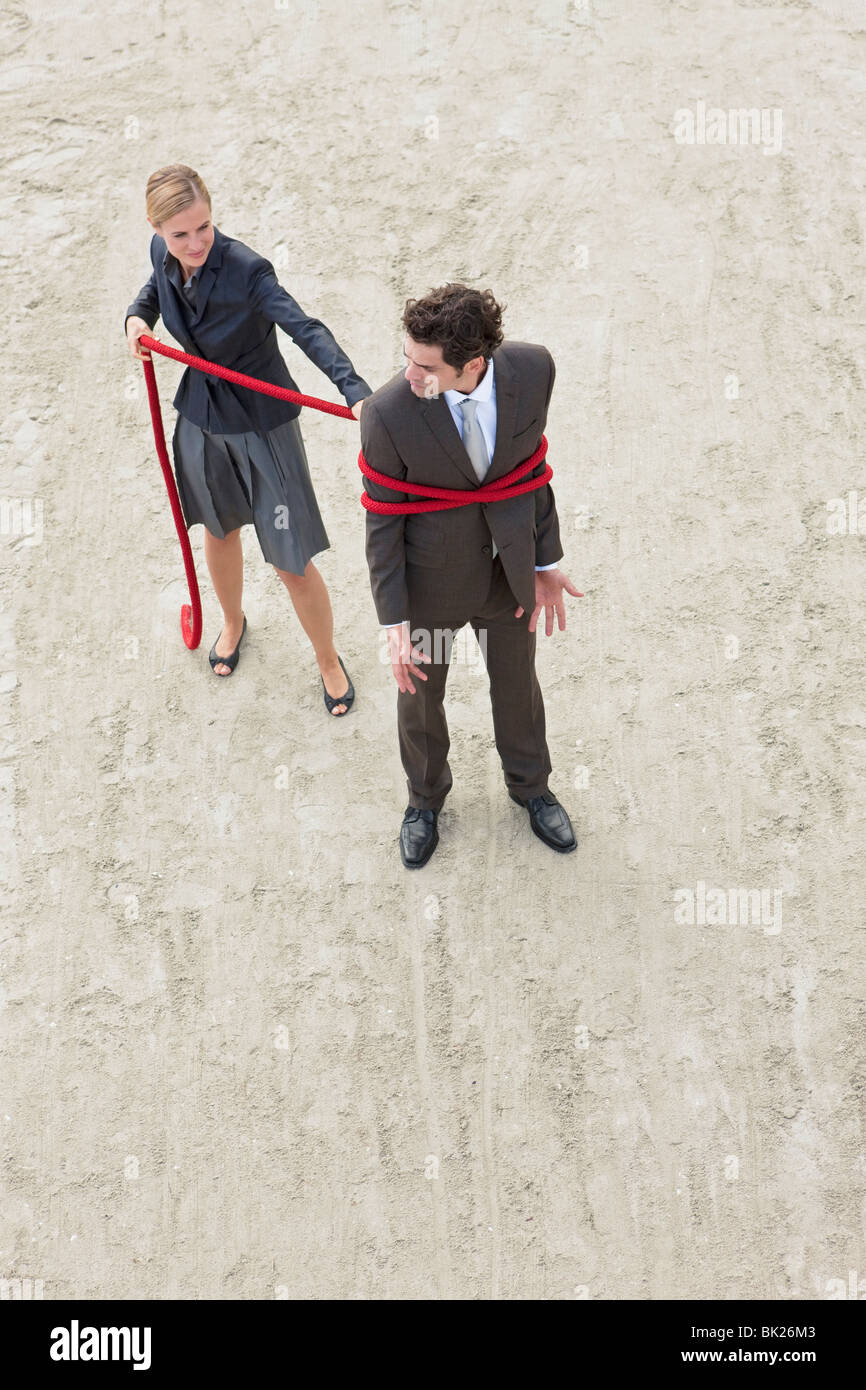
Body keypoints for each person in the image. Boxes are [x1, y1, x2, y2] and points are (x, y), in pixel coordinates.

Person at [125, 164, 372, 712]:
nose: (194, 243)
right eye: (179, 234)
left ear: (213, 215)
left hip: (262, 423)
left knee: (291, 557)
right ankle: (233, 622)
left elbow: (305, 328)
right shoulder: (161, 252)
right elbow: (152, 291)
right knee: (217, 528)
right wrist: (137, 320)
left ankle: (328, 660)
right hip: (201, 416)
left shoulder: (247, 270)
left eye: (203, 228)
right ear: (157, 228)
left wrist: (353, 390)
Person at [360, 283, 582, 867]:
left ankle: (532, 788)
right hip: (429, 590)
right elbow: (382, 524)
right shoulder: (387, 414)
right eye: (407, 356)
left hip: (507, 576)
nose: (409, 373)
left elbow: (532, 469)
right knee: (420, 700)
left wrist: (544, 562)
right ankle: (425, 800)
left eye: (425, 365)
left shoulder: (533, 371)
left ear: (473, 364)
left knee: (518, 685)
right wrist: (395, 620)